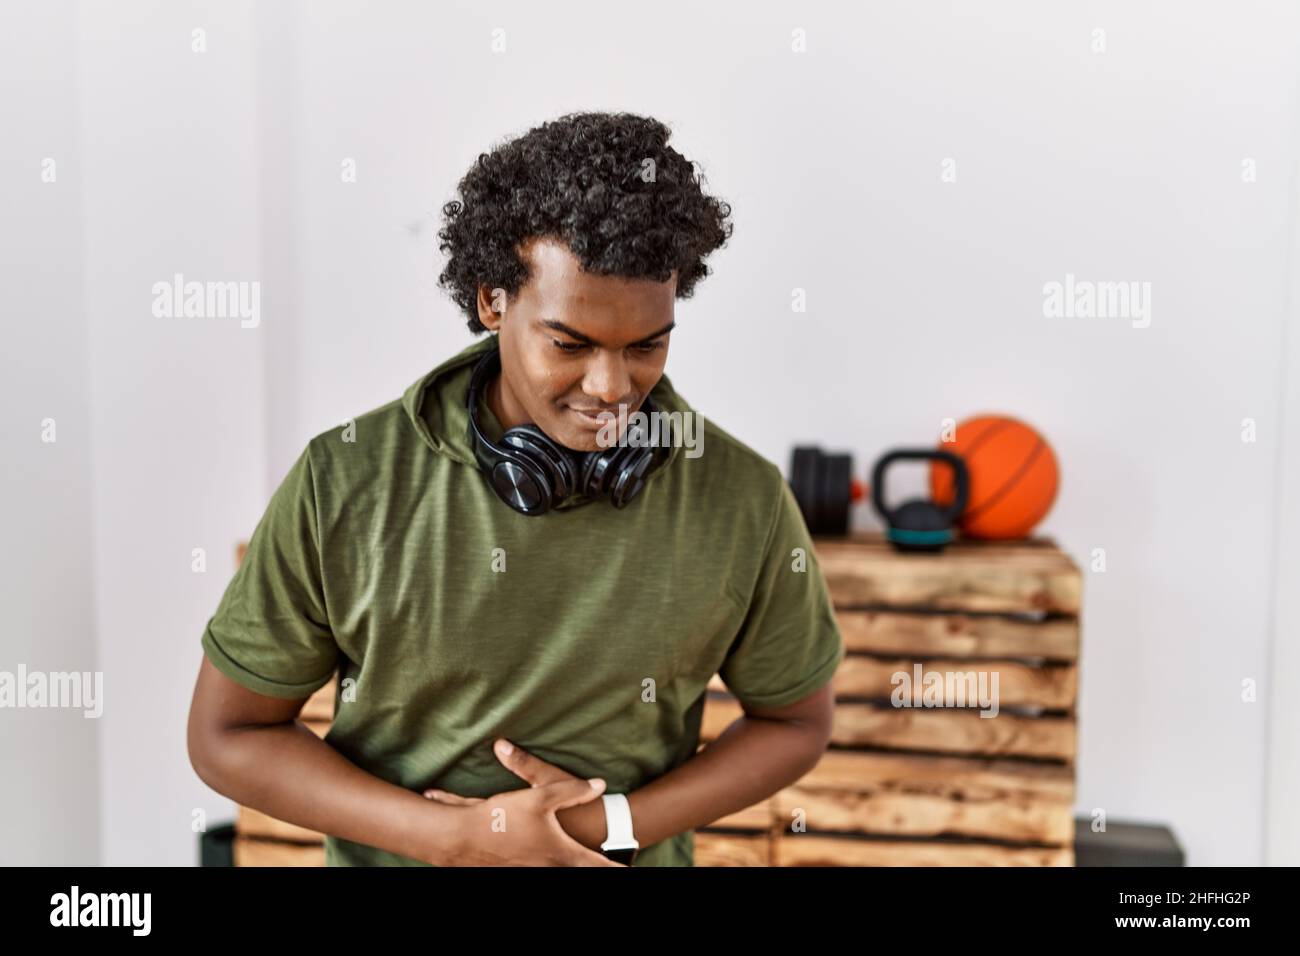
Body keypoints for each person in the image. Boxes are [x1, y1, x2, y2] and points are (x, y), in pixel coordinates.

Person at [186, 111, 846, 866]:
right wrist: (458, 840)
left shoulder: (743, 498)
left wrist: (609, 826)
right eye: (570, 343)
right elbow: (226, 735)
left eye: (647, 346)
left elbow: (796, 723)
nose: (611, 387)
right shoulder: (344, 482)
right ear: (492, 301)